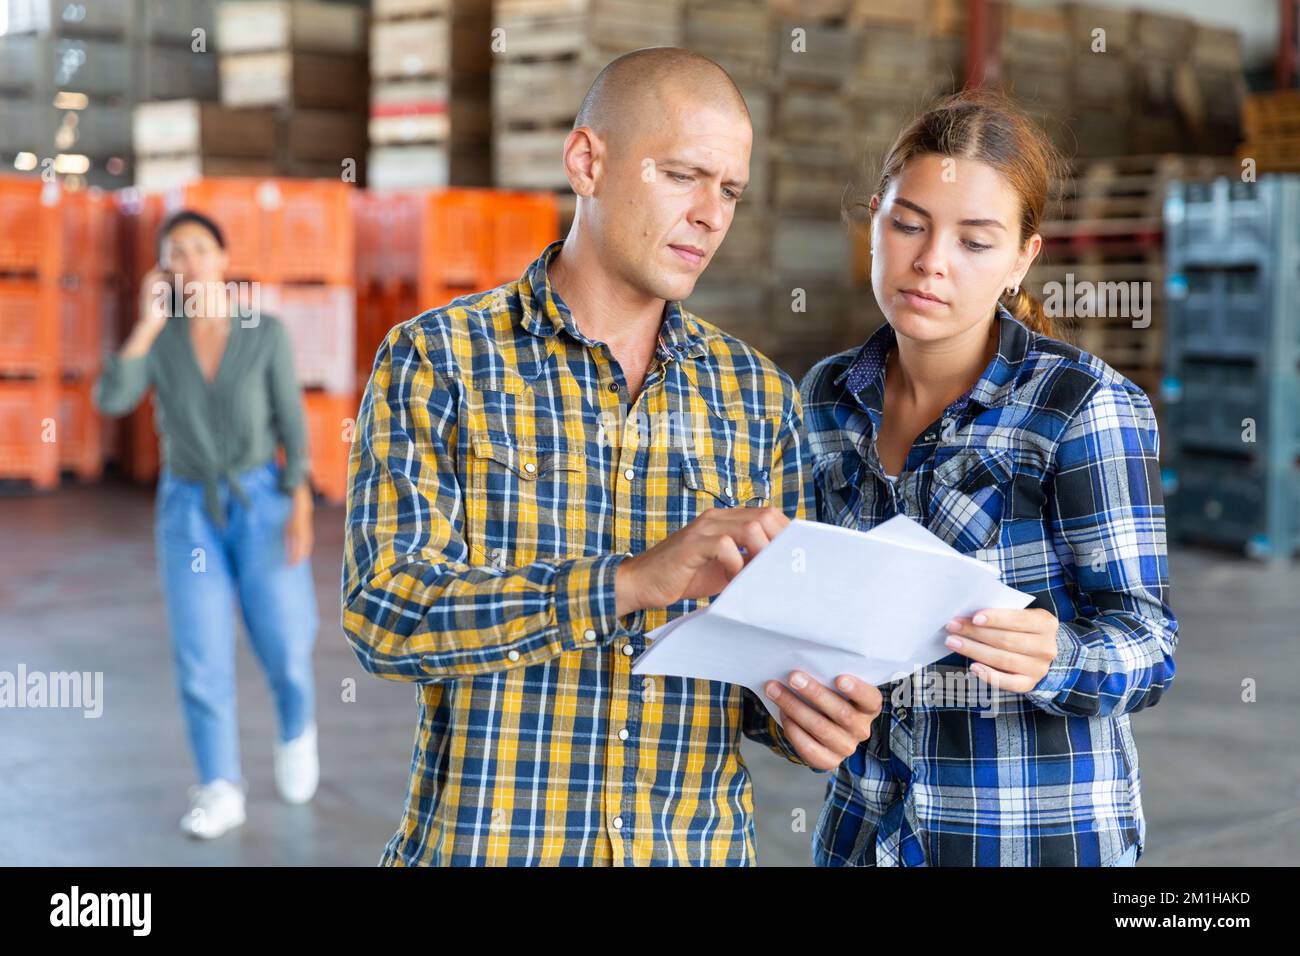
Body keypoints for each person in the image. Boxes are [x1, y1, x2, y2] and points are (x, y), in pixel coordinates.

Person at [342, 48, 883, 866]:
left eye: (730, 190)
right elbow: (386, 614)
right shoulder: (439, 360)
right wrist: (628, 583)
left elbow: (760, 667)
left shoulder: (758, 398)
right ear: (587, 163)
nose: (711, 215)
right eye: (684, 176)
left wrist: (804, 717)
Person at [800, 90, 1178, 867]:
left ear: (1021, 259)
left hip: (1028, 838)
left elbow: (1148, 645)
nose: (931, 262)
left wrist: (1058, 657)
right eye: (908, 225)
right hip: (864, 835)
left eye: (975, 242)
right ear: (874, 219)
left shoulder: (1082, 407)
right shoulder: (825, 399)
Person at [94, 210, 320, 839]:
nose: (188, 261)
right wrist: (146, 323)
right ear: (165, 268)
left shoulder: (264, 331)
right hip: (187, 509)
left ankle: (296, 726)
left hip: (263, 502)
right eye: (176, 252)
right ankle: (221, 786)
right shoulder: (161, 341)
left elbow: (291, 426)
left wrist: (300, 500)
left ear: (223, 258)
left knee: (286, 644)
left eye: (199, 248)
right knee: (201, 654)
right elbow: (110, 400)